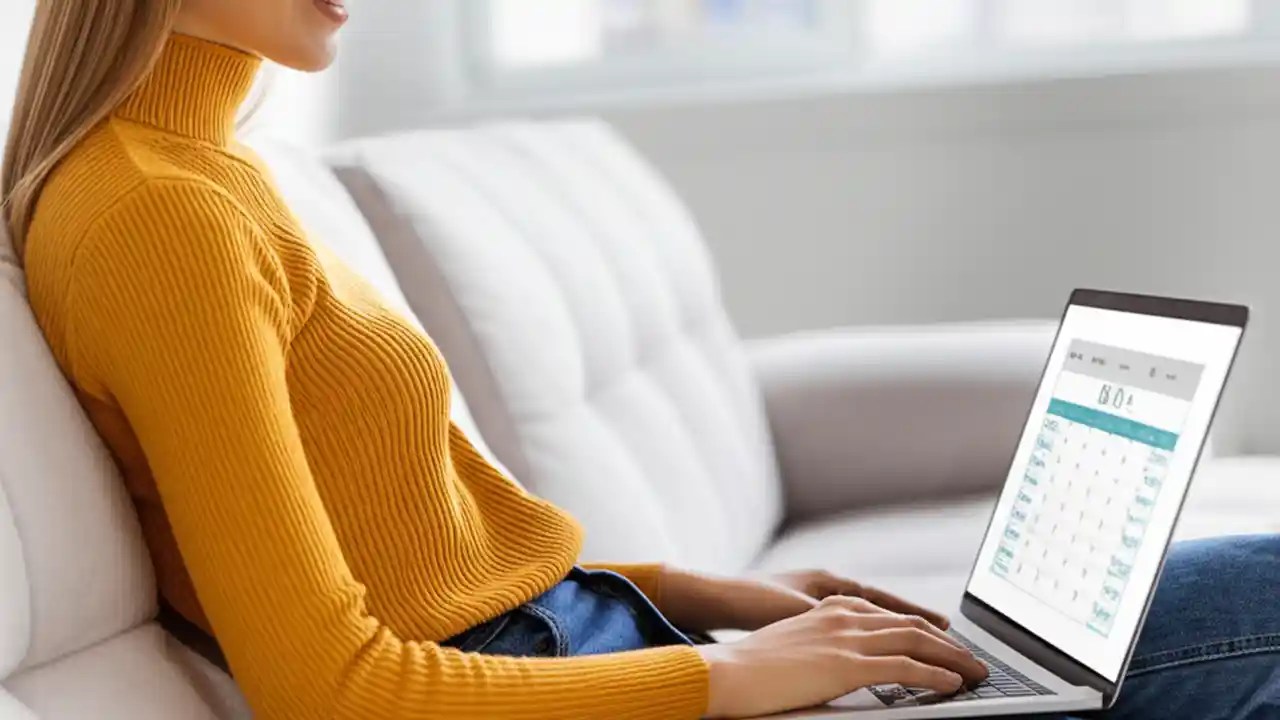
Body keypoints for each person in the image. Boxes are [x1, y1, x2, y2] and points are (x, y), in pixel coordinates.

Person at [1, 2, 1274, 719]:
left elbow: (427, 562)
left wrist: (723, 599)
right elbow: (330, 688)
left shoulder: (210, 175)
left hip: (598, 656)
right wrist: (727, 677)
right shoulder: (156, 216)